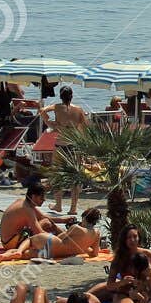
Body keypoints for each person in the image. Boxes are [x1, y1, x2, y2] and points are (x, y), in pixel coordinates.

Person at [0, 207, 102, 263]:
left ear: (84, 218)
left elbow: (60, 238)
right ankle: (5, 257)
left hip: (55, 245)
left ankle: (17, 251)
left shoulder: (76, 228)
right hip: (58, 254)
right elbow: (94, 253)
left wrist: (54, 230)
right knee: (28, 255)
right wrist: (82, 247)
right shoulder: (96, 234)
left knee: (30, 241)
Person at [46, 86, 88, 215]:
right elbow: (85, 128)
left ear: (60, 96)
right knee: (74, 177)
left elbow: (43, 110)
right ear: (72, 95)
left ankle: (58, 205)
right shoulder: (78, 110)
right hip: (74, 146)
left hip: (60, 145)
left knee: (57, 175)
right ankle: (73, 208)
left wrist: (50, 123)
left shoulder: (57, 107)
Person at [0, 182, 58, 250]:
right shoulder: (27, 210)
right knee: (46, 223)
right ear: (34, 196)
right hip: (12, 243)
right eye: (41, 198)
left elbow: (42, 217)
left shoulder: (23, 202)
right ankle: (64, 239)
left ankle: (64, 237)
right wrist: (58, 241)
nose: (44, 200)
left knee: (47, 222)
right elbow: (39, 232)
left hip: (7, 241)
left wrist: (64, 220)